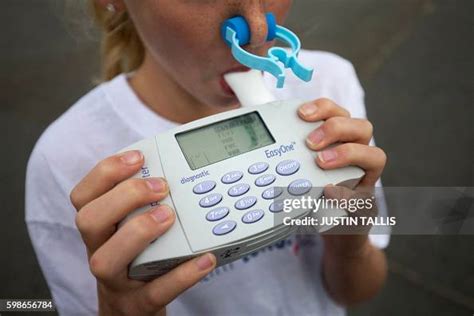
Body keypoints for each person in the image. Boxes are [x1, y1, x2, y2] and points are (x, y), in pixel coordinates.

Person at [26, 0, 389, 315]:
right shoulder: (67, 160)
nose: (258, 31)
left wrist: (350, 243)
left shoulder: (325, 87)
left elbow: (356, 289)